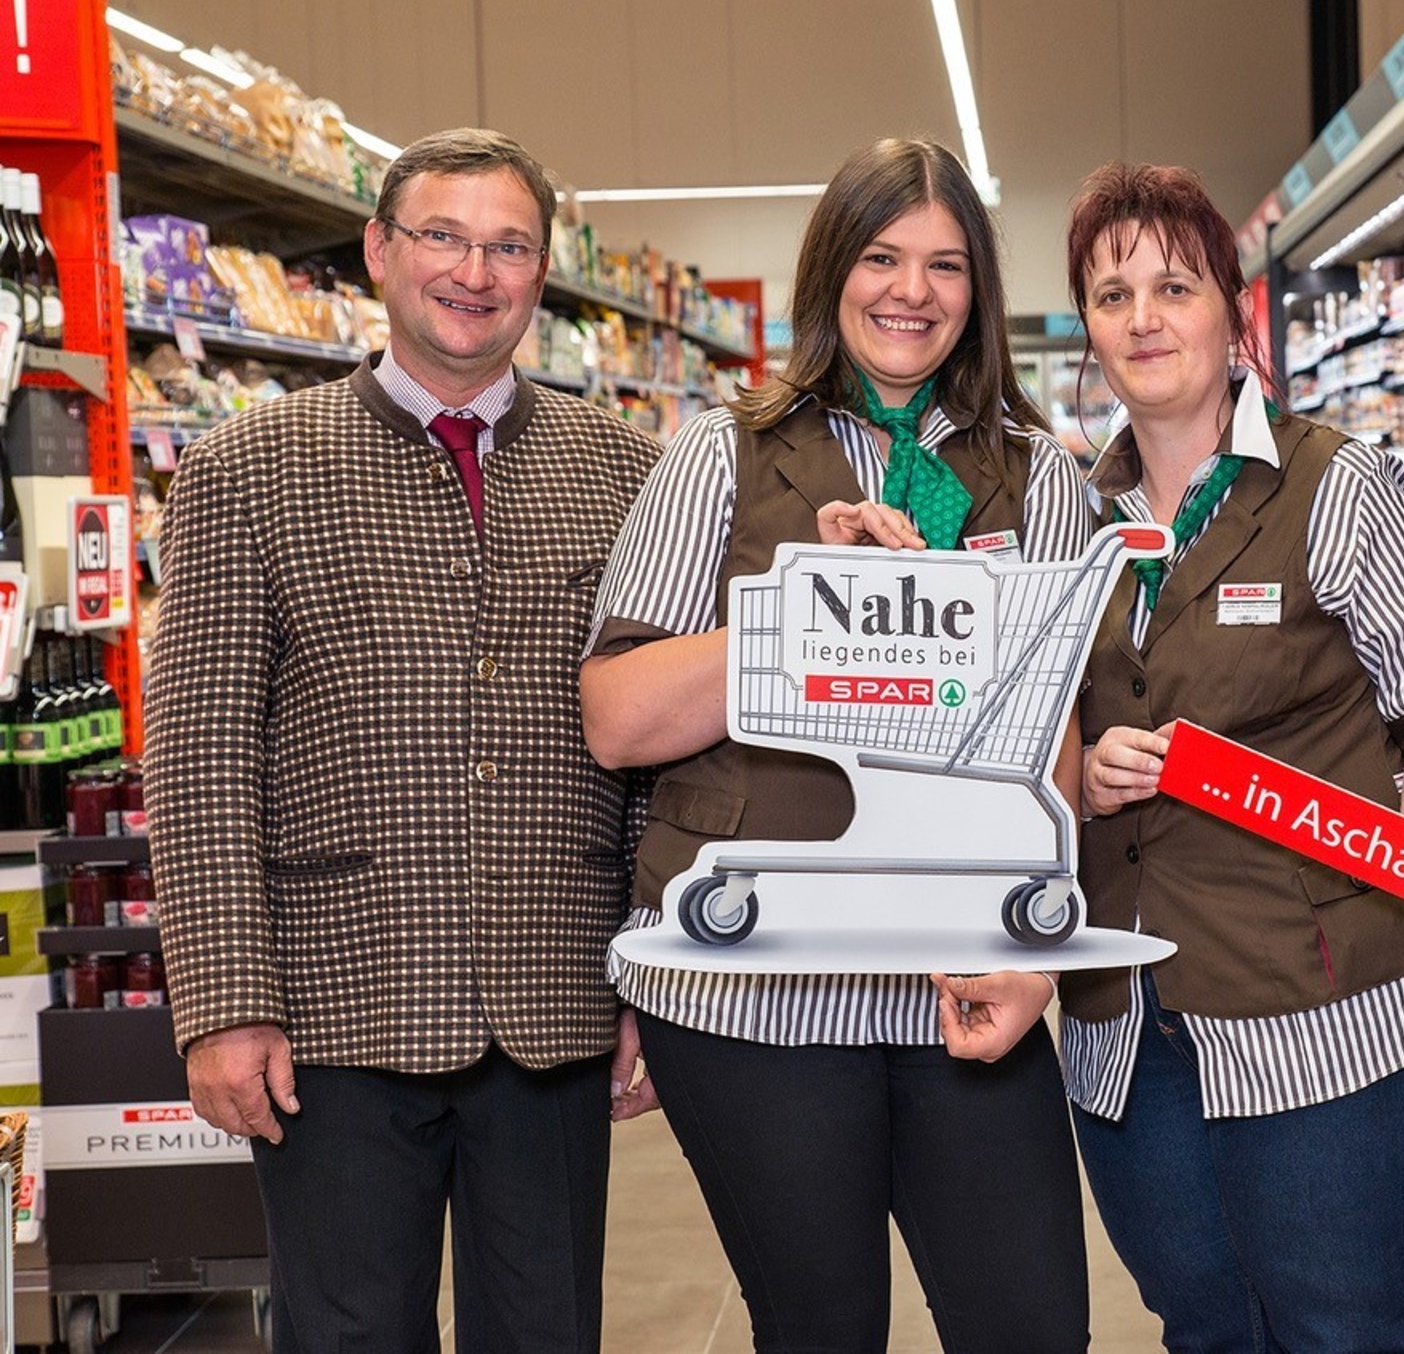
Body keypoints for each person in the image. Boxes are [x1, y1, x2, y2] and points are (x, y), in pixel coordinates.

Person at [146, 128, 660, 1354]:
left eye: (507, 245)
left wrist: (654, 961)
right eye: (442, 235)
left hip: (554, 991)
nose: (473, 271)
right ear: (380, 251)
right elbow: (201, 754)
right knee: (345, 1332)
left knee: (546, 1332)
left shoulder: (626, 470)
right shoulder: (244, 469)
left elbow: (651, 753)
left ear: (542, 273)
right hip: (331, 1009)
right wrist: (220, 1002)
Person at [579, 137, 1093, 1354]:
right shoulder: (721, 454)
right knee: (818, 1327)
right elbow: (617, 717)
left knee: (1028, 1322)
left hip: (962, 983)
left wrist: (1039, 956)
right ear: (830, 272)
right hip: (761, 992)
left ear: (976, 292)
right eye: (879, 257)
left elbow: (1054, 744)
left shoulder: (1035, 478)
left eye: (945, 264)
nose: (910, 290)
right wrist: (805, 613)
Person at [1059, 161, 1404, 1354]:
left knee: (1344, 1334)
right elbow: (1031, 731)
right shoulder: (1073, 514)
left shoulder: (1338, 487)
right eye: (1110, 295)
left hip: (1327, 1009)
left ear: (1233, 310)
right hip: (1129, 1025)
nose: (1142, 318)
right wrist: (1080, 764)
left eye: (1172, 285)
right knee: (1205, 1328)